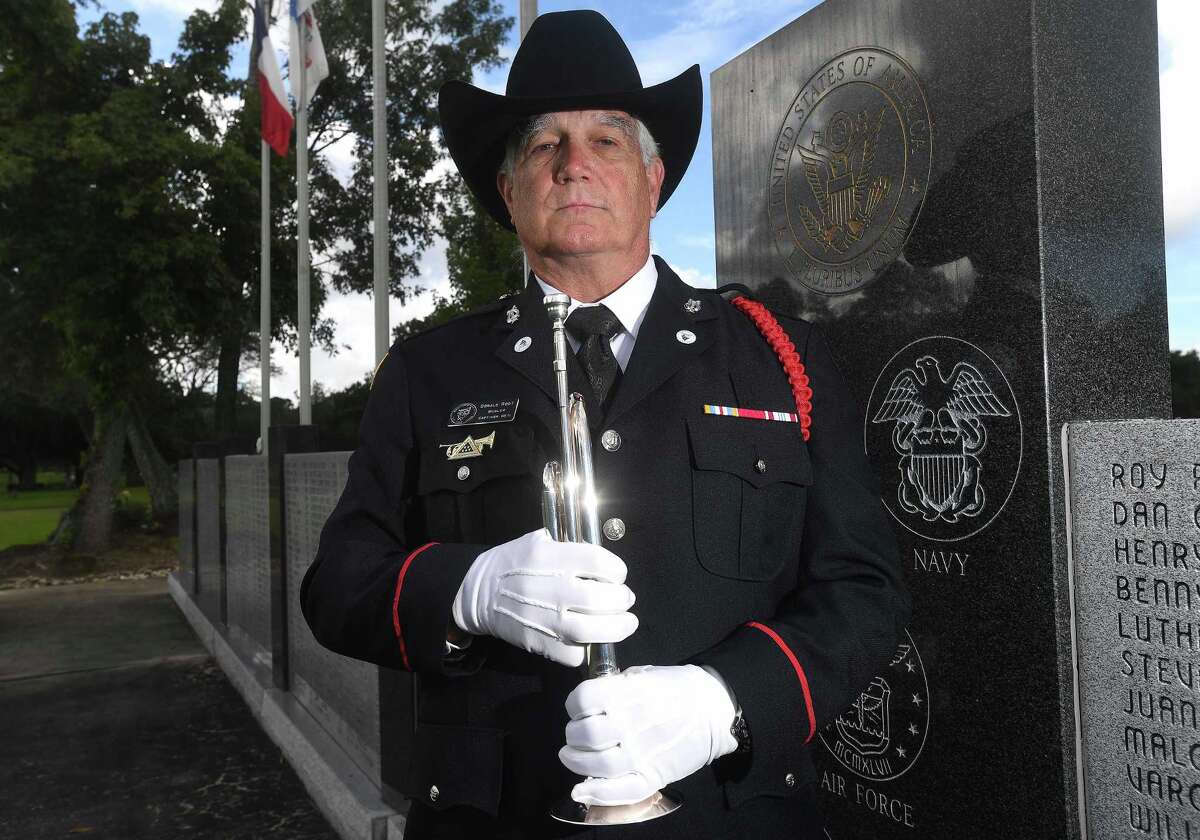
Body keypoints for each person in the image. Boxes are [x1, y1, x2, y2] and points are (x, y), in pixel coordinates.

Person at [300, 10, 910, 839]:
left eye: (607, 141)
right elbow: (339, 584)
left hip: (730, 816)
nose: (574, 164)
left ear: (653, 181)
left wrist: (724, 700)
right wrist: (467, 591)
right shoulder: (429, 372)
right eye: (543, 144)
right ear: (510, 190)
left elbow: (863, 592)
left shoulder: (777, 357)